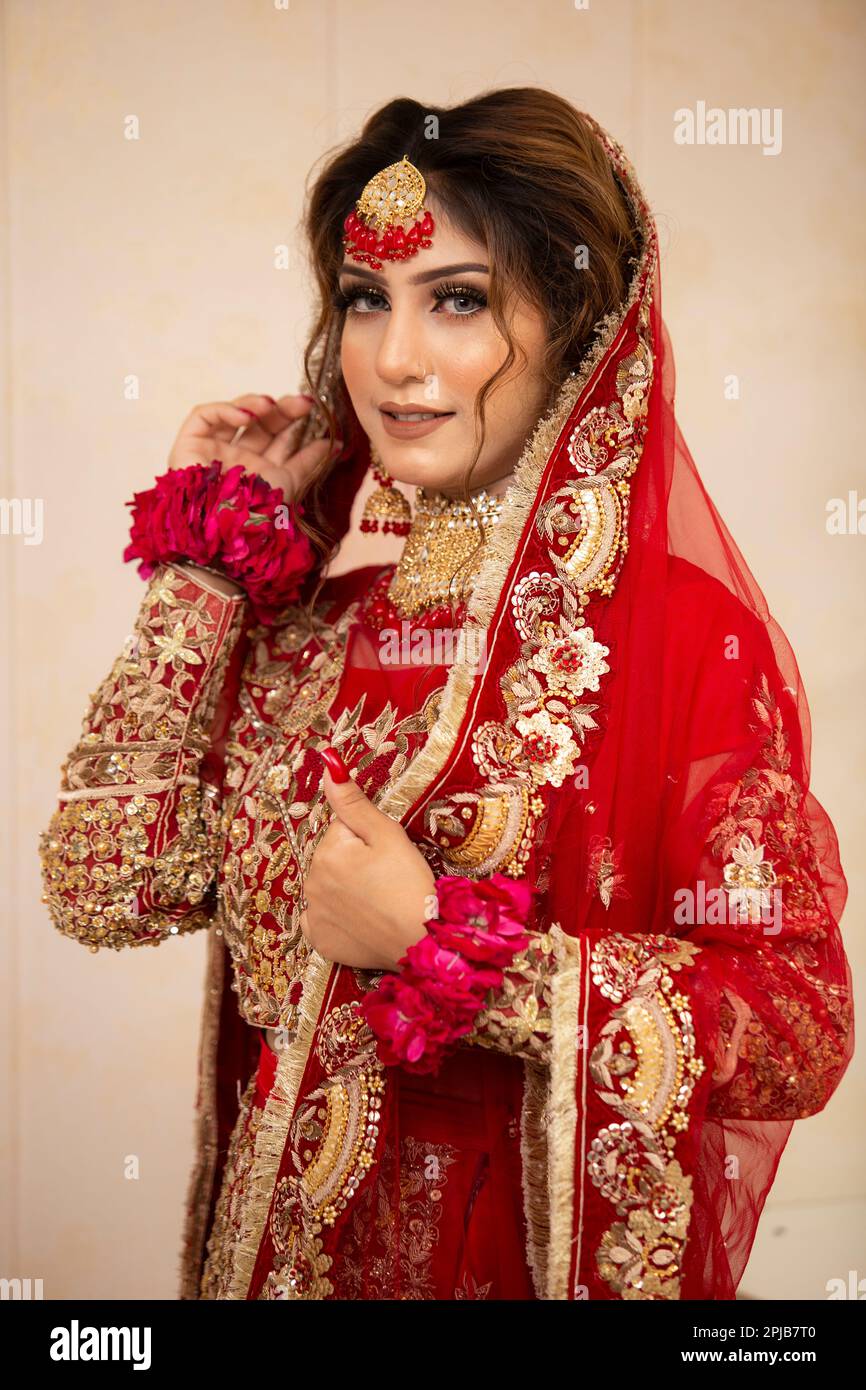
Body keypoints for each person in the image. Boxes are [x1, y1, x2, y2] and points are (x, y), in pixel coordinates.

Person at [38, 87, 854, 1301]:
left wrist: (447, 952)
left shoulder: (680, 641)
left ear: (577, 326)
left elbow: (794, 1027)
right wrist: (206, 567)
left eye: (457, 300)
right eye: (366, 301)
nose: (393, 360)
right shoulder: (316, 625)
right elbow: (104, 884)